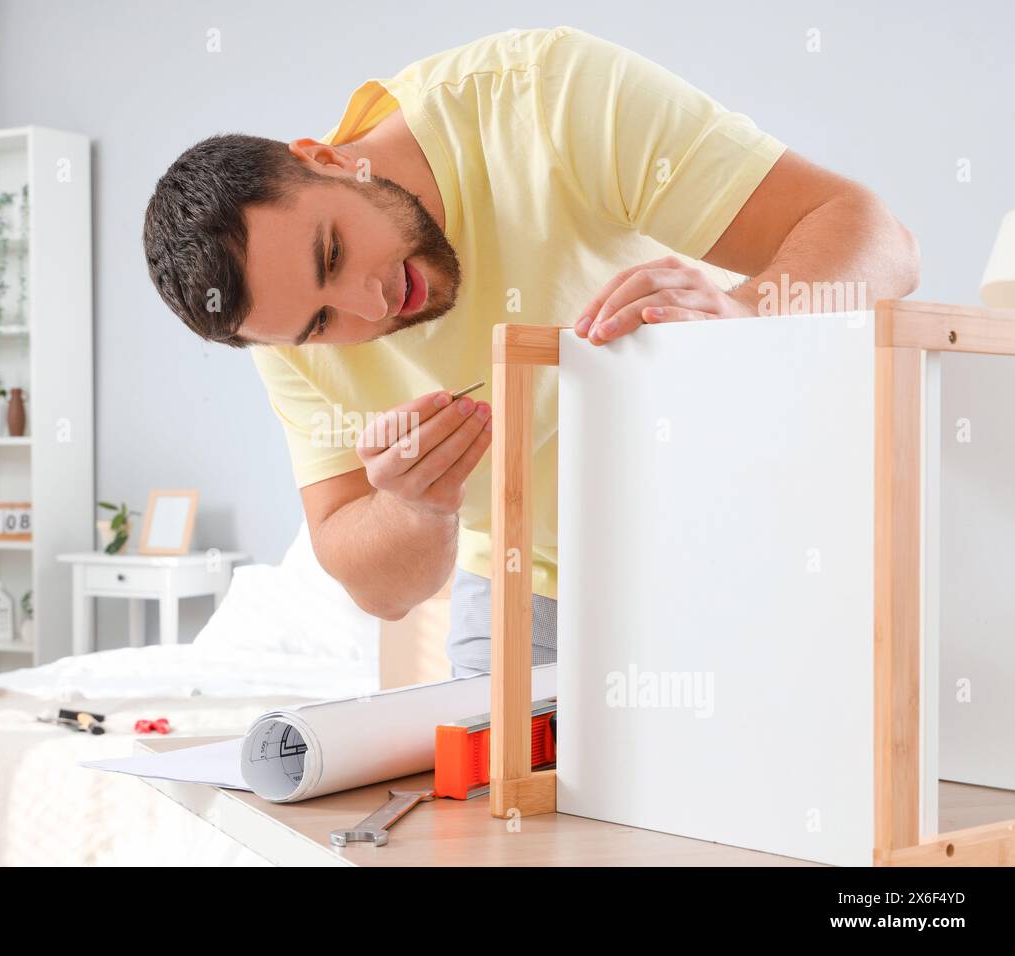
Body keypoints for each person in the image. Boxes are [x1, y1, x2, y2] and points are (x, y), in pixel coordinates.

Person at [142, 27, 919, 675]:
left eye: (335, 254)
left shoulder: (545, 96)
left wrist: (750, 318)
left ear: (330, 157)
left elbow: (879, 239)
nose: (365, 305)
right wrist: (414, 505)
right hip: (529, 584)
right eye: (318, 323)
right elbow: (379, 590)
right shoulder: (281, 325)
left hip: (749, 527)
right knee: (493, 823)